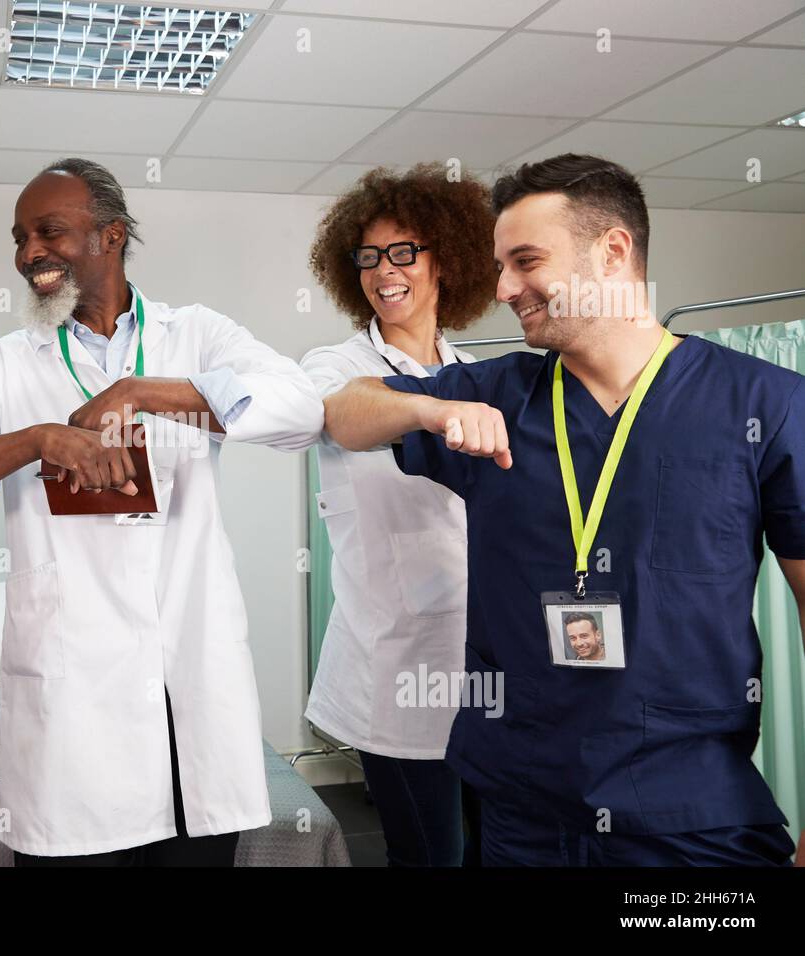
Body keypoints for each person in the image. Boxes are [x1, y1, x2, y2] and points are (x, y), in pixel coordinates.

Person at [320, 153, 805, 866]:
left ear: (613, 251)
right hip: (523, 814)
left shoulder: (764, 405)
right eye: (500, 266)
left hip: (692, 821)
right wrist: (428, 408)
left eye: (525, 261)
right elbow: (344, 411)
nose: (504, 288)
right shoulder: (495, 394)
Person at [0, 158, 324, 866]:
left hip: (190, 687)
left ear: (111, 236)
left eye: (48, 231)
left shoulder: (195, 335)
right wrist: (36, 440)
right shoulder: (4, 364)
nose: (28, 253)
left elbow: (302, 410)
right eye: (20, 238)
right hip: (74, 710)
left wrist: (146, 392)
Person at [300, 164, 495, 866]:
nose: (385, 270)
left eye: (404, 251)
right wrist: (430, 409)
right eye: (369, 256)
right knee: (431, 857)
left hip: (485, 663)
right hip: (395, 667)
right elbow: (343, 414)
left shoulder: (475, 372)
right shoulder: (335, 364)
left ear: (448, 259)